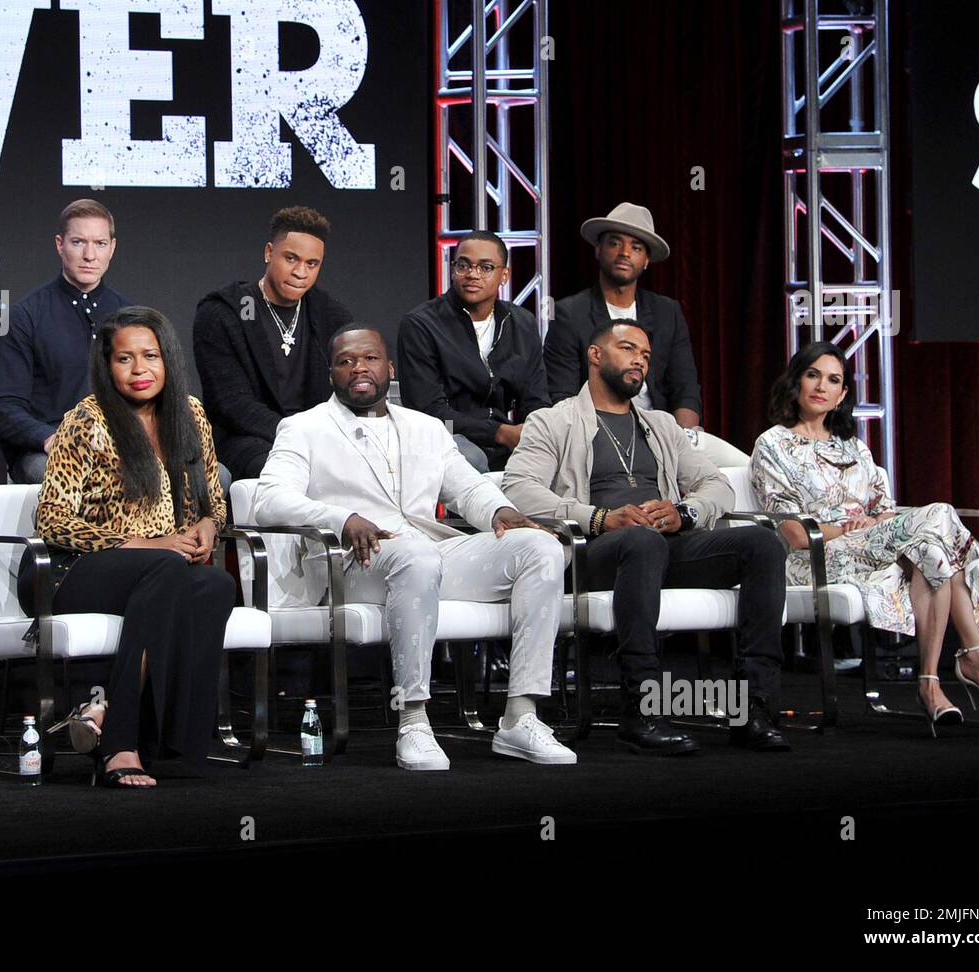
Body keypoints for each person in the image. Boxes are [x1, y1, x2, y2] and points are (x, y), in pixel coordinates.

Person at [253, 327, 576, 771]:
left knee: (539, 548)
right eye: (346, 361)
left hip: (426, 553)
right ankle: (414, 721)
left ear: (390, 368)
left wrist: (501, 511)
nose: (359, 368)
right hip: (353, 564)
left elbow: (468, 487)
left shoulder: (426, 428)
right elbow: (268, 499)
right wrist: (341, 519)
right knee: (416, 555)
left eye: (370, 358)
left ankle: (520, 717)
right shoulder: (304, 428)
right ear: (331, 373)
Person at [503, 320, 790, 754]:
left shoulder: (662, 425)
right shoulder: (552, 421)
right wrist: (599, 517)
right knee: (641, 542)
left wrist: (685, 513)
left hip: (663, 544)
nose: (640, 359)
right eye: (628, 348)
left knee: (763, 544)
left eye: (646, 356)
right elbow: (519, 488)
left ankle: (752, 709)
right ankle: (642, 710)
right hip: (595, 551)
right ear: (595, 356)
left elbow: (715, 485)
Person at [750, 342, 979, 732]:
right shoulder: (773, 444)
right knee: (939, 514)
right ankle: (976, 657)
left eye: (834, 380)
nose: (821, 386)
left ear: (842, 395)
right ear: (795, 381)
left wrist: (875, 524)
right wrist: (848, 528)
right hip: (814, 557)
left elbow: (885, 509)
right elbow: (794, 532)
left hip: (874, 549)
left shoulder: (855, 447)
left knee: (933, 549)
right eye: (812, 374)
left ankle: (929, 682)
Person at [30, 306, 236, 787]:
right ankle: (120, 744)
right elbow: (53, 520)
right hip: (75, 570)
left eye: (150, 356)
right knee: (164, 570)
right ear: (107, 364)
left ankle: (170, 741)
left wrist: (208, 525)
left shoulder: (191, 415)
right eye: (125, 359)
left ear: (169, 360)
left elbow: (214, 500)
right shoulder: (87, 419)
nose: (140, 370)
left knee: (215, 585)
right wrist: (149, 543)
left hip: (157, 572)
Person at [192, 206, 354, 481]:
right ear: (269, 252)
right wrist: (298, 436)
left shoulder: (331, 316)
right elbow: (231, 404)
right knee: (280, 470)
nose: (301, 272)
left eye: (311, 264)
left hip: (317, 439)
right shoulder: (223, 312)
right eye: (291, 258)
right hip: (245, 439)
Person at [0, 199, 130, 484]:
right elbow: (5, 407)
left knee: (211, 476)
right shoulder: (25, 315)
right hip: (46, 449)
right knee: (67, 477)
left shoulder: (129, 316)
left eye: (100, 243)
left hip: (119, 446)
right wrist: (49, 438)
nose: (90, 255)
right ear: (59, 244)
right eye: (78, 242)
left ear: (112, 248)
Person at [396, 231, 551, 472]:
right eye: (463, 265)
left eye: (486, 267)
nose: (472, 274)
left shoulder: (521, 322)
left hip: (505, 437)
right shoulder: (422, 324)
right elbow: (428, 411)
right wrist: (499, 433)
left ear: (504, 275)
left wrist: (533, 433)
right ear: (453, 268)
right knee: (472, 460)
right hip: (447, 433)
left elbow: (536, 398)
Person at [544, 202, 702, 428]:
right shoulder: (569, 313)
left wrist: (685, 439)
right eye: (615, 243)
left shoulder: (668, 312)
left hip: (661, 431)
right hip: (594, 430)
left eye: (636, 247)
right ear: (598, 249)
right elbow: (561, 394)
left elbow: (685, 386)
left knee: (733, 462)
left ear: (646, 260)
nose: (625, 253)